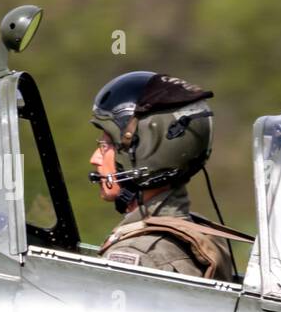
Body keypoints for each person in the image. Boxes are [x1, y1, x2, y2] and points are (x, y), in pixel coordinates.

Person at [88, 71, 239, 280]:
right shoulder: (205, 234)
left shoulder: (137, 255)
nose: (95, 158)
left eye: (107, 145)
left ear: (147, 151)